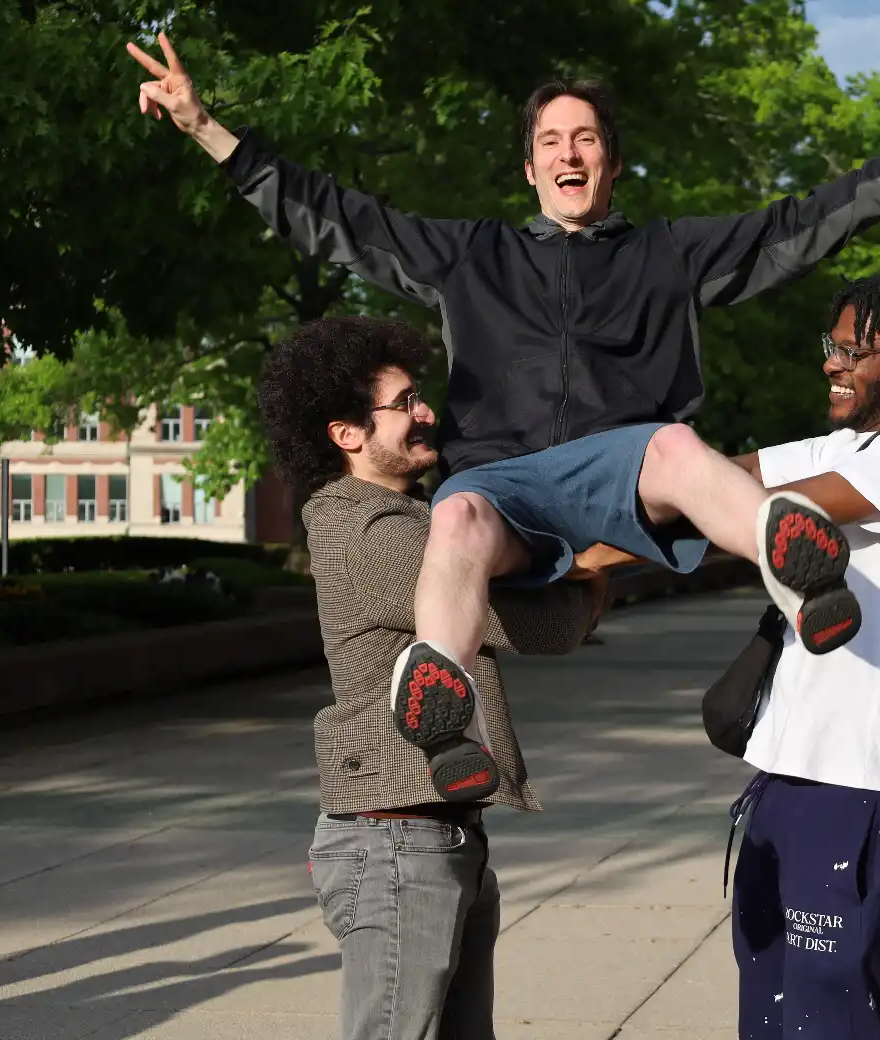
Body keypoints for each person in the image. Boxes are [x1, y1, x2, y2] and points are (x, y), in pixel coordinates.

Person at [128, 33, 880, 802]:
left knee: (672, 444)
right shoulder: (470, 258)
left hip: (622, 474)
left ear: (612, 161)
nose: (569, 153)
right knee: (453, 514)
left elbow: (807, 221)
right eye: (551, 141)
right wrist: (206, 126)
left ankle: (804, 573)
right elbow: (331, 214)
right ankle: (444, 716)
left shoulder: (670, 254)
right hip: (504, 487)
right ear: (529, 165)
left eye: (586, 139)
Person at [256, 314, 612, 1040]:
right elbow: (538, 626)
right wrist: (597, 569)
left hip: (434, 835)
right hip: (399, 844)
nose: (427, 412)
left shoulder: (397, 518)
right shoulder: (374, 532)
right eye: (405, 401)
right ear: (346, 433)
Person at [726, 273, 880, 1038]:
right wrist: (584, 551)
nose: (833, 364)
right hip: (783, 775)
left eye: (854, 350)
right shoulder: (841, 446)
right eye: (832, 346)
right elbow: (715, 482)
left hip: (862, 787)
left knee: (826, 1018)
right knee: (768, 1013)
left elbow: (783, 508)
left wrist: (700, 498)